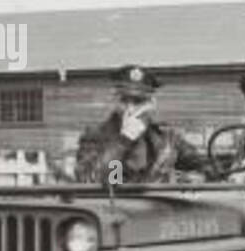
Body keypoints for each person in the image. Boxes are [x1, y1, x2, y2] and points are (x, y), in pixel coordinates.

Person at [74, 64, 208, 183]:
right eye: (125, 101)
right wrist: (123, 141)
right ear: (115, 101)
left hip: (160, 208)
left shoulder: (167, 138)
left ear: (151, 104)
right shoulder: (96, 136)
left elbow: (202, 164)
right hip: (120, 209)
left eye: (138, 102)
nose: (131, 109)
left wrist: (206, 172)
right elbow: (89, 179)